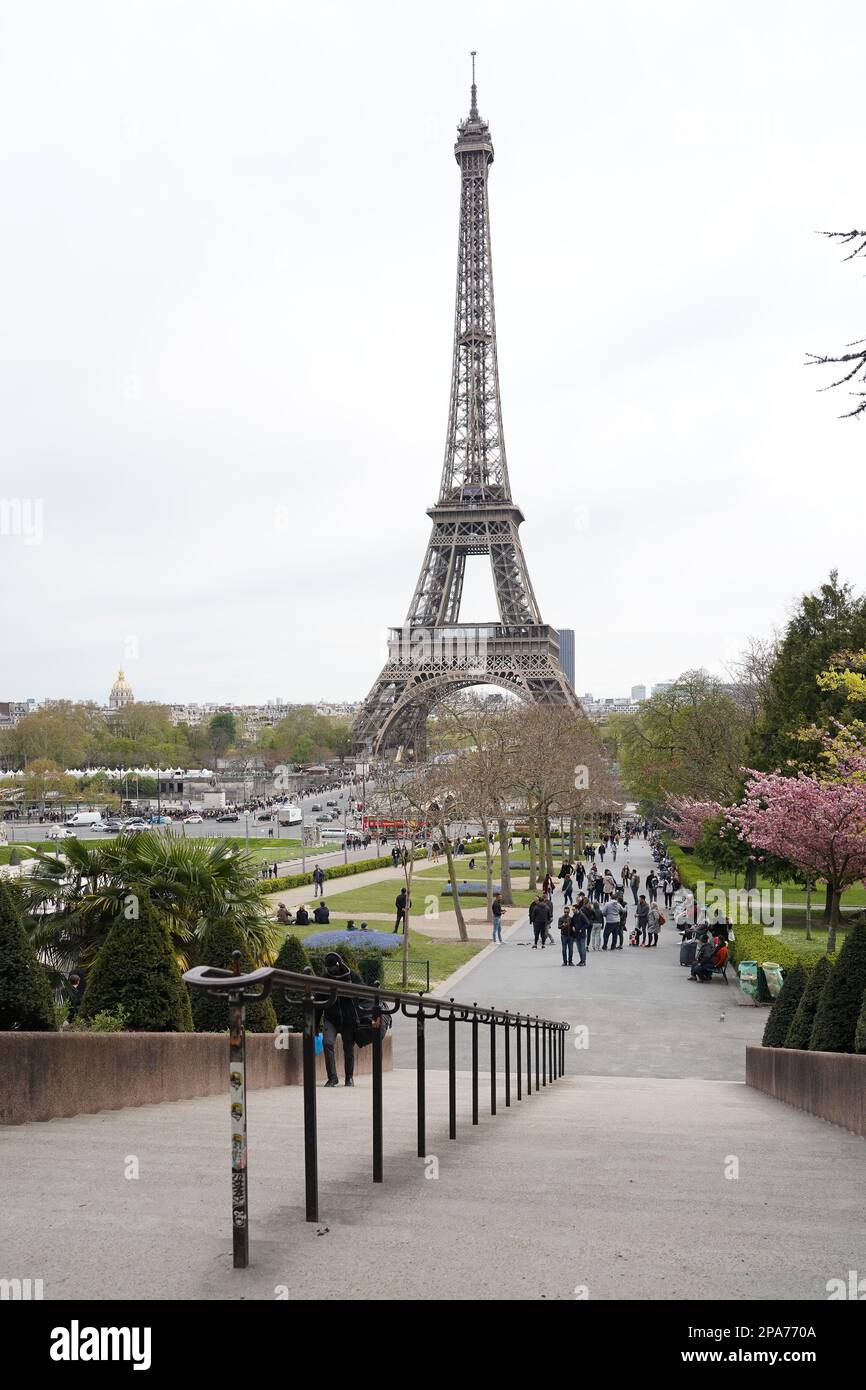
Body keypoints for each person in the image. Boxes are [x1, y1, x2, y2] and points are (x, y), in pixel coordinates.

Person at [318, 952, 362, 1087]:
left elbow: (363, 994)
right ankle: (332, 1077)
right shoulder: (325, 978)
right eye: (329, 968)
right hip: (331, 1018)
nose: (332, 970)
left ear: (339, 964)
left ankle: (349, 1077)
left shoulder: (352, 976)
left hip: (348, 1019)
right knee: (327, 1043)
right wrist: (315, 1023)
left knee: (348, 1047)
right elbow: (318, 1002)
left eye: (334, 968)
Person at [573, 897, 592, 965]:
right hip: (576, 934)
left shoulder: (582, 915)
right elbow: (573, 923)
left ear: (577, 909)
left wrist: (582, 929)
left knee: (582, 948)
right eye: (572, 909)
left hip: (582, 934)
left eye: (574, 909)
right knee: (579, 949)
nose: (573, 911)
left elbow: (587, 923)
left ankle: (583, 961)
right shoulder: (574, 915)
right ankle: (581, 960)